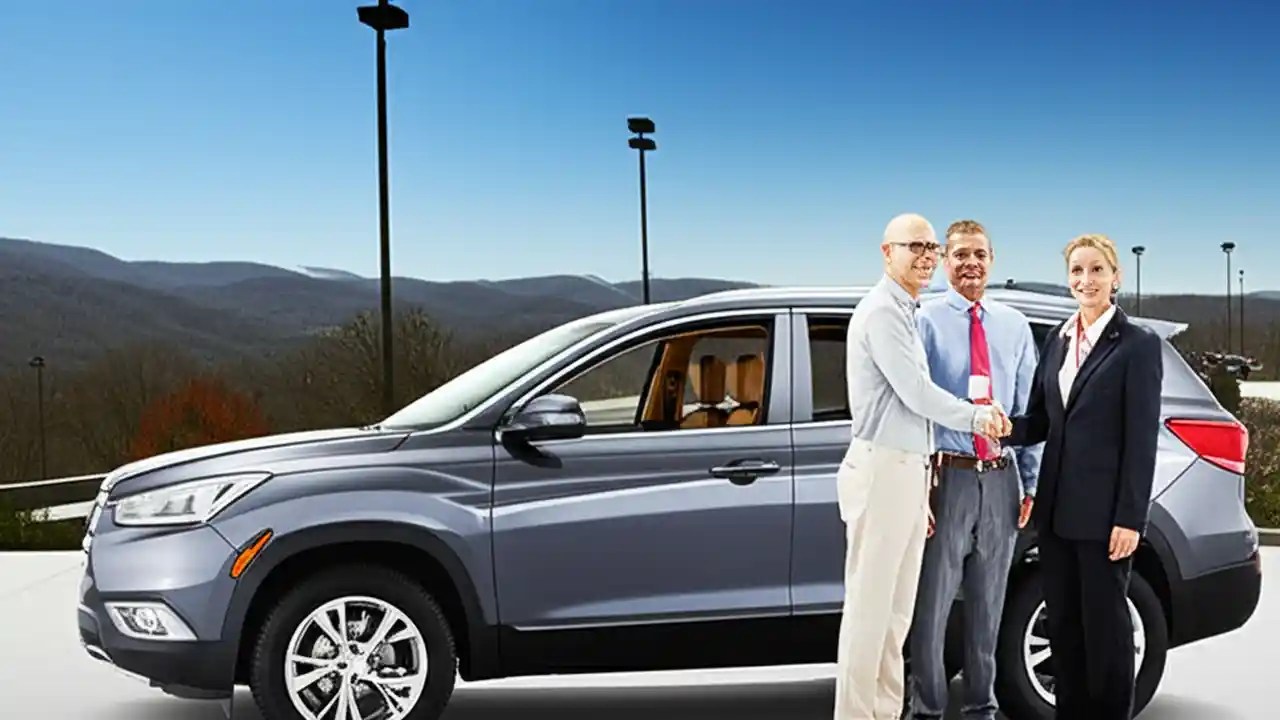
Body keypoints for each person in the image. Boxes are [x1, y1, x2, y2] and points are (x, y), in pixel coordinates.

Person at [835, 212, 1009, 720]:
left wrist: (924, 484)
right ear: (886, 252)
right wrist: (977, 417)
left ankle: (886, 712)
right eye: (915, 245)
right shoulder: (883, 313)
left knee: (895, 617)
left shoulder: (906, 310)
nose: (927, 255)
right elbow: (916, 393)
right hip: (884, 469)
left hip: (908, 473)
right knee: (870, 614)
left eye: (932, 246)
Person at [1003, 233, 1162, 719]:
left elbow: (1141, 440)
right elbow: (1042, 421)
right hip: (1055, 516)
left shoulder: (1137, 346)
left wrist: (1130, 519)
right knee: (1067, 635)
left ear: (1116, 278)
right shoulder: (1058, 338)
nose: (1085, 280)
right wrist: (998, 427)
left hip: (1104, 521)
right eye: (1076, 271)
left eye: (1096, 270)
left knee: (1107, 640)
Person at [908, 220, 1043, 720]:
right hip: (950, 476)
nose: (971, 264)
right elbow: (915, 409)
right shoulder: (924, 321)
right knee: (933, 604)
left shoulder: (1014, 326)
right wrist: (920, 488)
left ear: (992, 260)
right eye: (961, 254)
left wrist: (1030, 480)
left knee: (989, 606)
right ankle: (927, 707)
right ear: (946, 260)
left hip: (1001, 477)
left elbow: (1030, 411)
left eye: (980, 255)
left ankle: (982, 708)